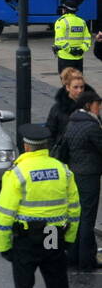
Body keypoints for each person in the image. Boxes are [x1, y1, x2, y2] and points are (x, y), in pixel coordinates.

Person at [0, 124, 79, 288]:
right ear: (46, 147)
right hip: (53, 235)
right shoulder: (62, 170)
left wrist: (4, 246)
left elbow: (4, 214)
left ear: (25, 146)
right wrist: (69, 239)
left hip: (27, 239)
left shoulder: (18, 173)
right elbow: (74, 208)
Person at [55, 91, 101, 272]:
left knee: (75, 217)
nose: (100, 109)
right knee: (87, 218)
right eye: (97, 105)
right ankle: (86, 260)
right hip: (89, 177)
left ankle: (72, 256)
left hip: (74, 175)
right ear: (88, 105)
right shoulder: (91, 126)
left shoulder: (72, 123)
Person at [46, 67, 91, 150]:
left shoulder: (89, 106)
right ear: (67, 87)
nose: (80, 90)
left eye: (82, 87)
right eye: (76, 87)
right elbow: (50, 133)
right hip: (65, 151)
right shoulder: (58, 108)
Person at [52, 2, 88, 77]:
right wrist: (82, 49)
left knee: (66, 82)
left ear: (65, 10)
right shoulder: (82, 21)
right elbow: (87, 38)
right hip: (79, 57)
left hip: (65, 58)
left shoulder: (61, 22)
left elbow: (60, 40)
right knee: (77, 81)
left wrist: (70, 50)